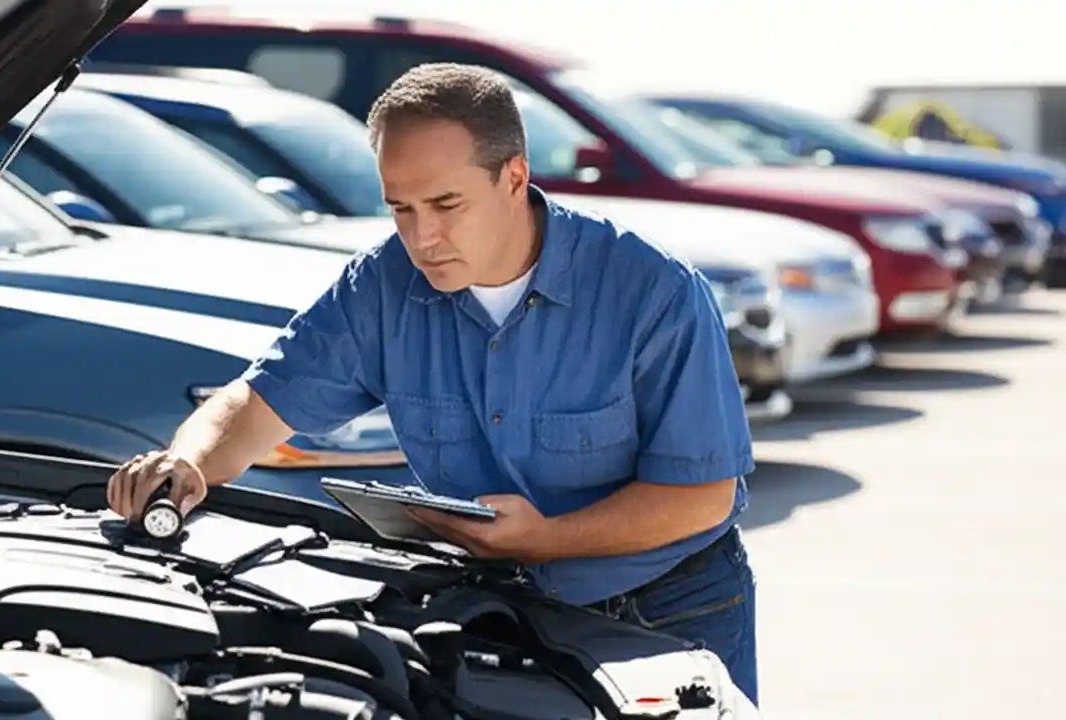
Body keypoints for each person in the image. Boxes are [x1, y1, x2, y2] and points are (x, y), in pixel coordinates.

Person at [107, 62, 759, 703]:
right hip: (500, 609)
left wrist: (546, 540)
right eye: (401, 209)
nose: (423, 237)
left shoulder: (653, 291)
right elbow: (257, 400)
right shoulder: (382, 287)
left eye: (447, 204)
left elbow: (701, 496)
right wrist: (187, 461)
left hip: (670, 611)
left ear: (514, 177)